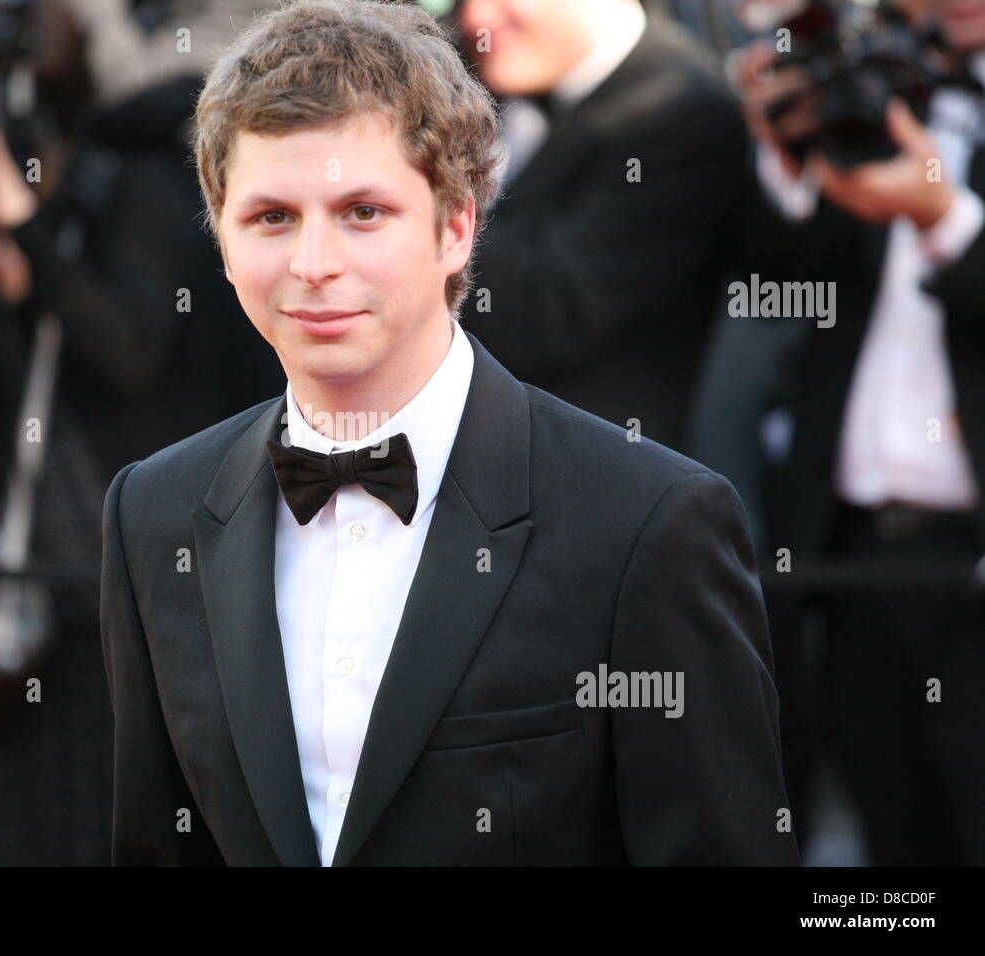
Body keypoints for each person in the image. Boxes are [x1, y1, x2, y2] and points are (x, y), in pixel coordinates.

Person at [98, 0, 797, 866]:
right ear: (223, 237)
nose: (315, 264)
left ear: (457, 225)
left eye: (363, 212)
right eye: (272, 217)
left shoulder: (648, 524)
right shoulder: (151, 514)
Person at [738, 0, 985, 865]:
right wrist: (785, 154)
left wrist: (945, 220)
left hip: (970, 561)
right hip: (848, 555)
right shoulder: (882, 82)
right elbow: (778, 279)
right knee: (889, 845)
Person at [451, 0, 751, 455]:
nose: (476, 18)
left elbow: (543, 311)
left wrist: (416, 210)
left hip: (586, 472)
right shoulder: (464, 64)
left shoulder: (679, 109)